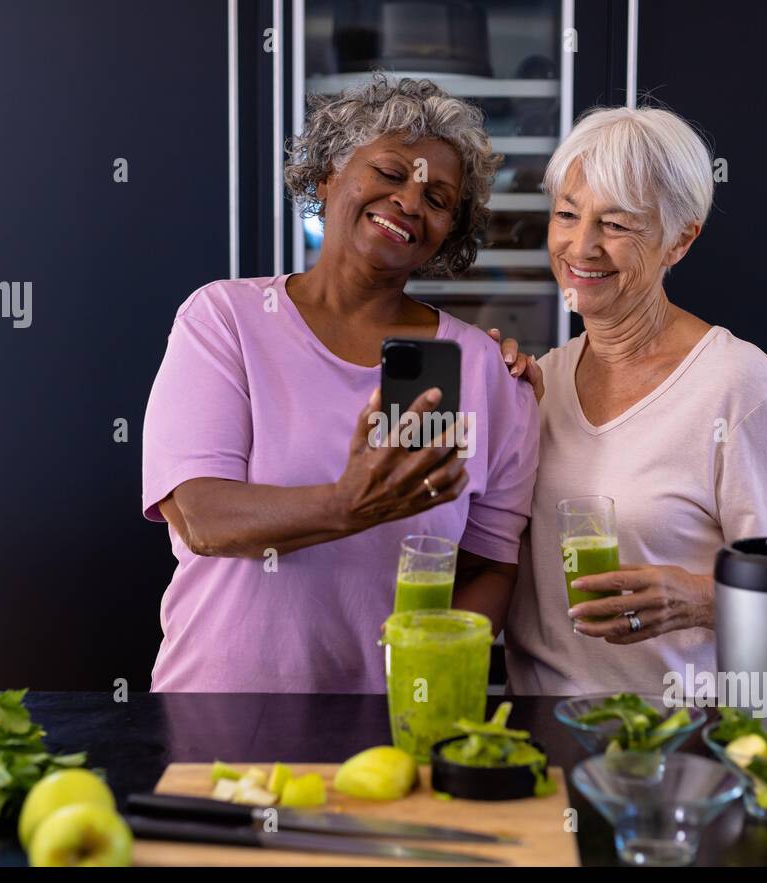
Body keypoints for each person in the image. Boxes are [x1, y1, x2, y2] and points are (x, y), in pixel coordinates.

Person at [141, 77, 539, 692]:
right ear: (328, 175)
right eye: (390, 171)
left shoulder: (485, 371)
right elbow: (202, 517)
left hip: (393, 725)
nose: (411, 200)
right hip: (221, 714)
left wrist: (425, 672)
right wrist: (347, 505)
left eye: (438, 198)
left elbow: (489, 567)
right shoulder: (225, 321)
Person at [495, 106, 767, 696]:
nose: (581, 246)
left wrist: (700, 600)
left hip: (673, 745)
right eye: (566, 215)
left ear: (680, 241)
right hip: (538, 738)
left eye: (616, 225)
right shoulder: (542, 381)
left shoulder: (735, 382)